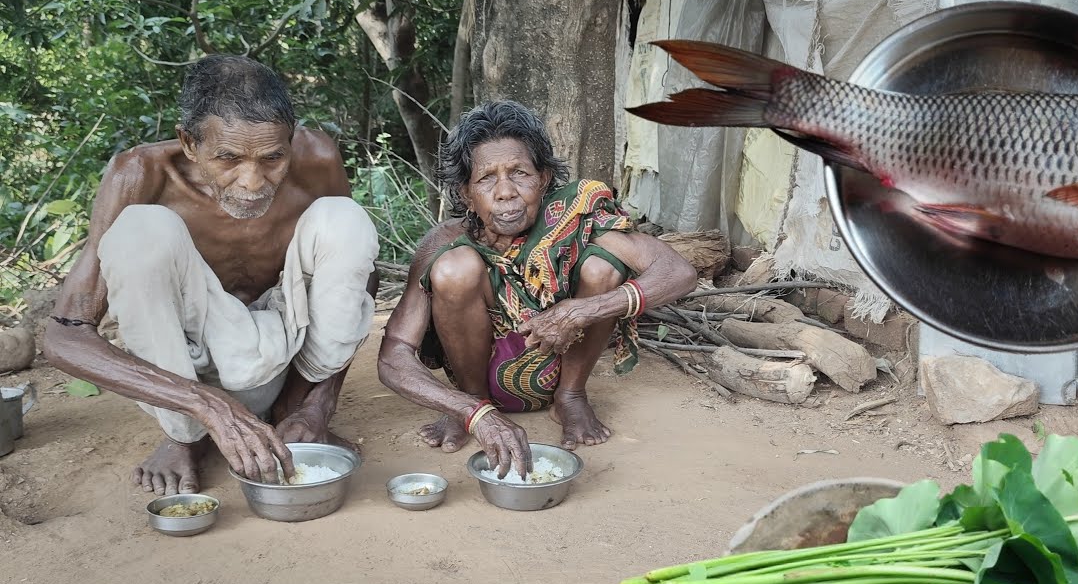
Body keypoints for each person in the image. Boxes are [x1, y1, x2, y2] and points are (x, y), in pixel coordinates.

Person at [43, 55, 379, 495]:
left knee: (346, 219)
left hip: (289, 353)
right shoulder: (141, 174)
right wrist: (202, 405)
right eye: (228, 158)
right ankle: (184, 437)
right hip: (191, 369)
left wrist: (319, 403)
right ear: (188, 143)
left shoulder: (316, 160)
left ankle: (291, 408)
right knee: (140, 232)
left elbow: (356, 279)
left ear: (291, 140)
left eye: (273, 157)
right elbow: (64, 335)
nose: (253, 181)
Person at [378, 100, 698, 479]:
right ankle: (475, 399)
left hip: (558, 368)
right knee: (453, 268)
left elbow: (678, 272)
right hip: (474, 386)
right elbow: (393, 356)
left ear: (544, 179)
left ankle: (571, 396)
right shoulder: (445, 240)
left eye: (520, 173)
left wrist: (579, 311)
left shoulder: (573, 216)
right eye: (486, 179)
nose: (506, 192)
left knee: (601, 265)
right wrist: (465, 409)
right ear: (466, 194)